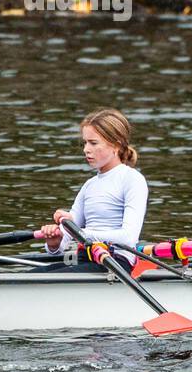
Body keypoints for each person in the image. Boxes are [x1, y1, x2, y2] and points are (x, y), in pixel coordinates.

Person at [38, 108, 147, 272]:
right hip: (87, 259)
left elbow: (128, 237)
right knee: (29, 276)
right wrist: (54, 241)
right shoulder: (89, 185)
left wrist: (80, 233)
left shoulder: (132, 179)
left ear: (116, 145)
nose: (86, 149)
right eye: (85, 142)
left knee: (39, 282)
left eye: (93, 143)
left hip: (115, 262)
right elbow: (60, 248)